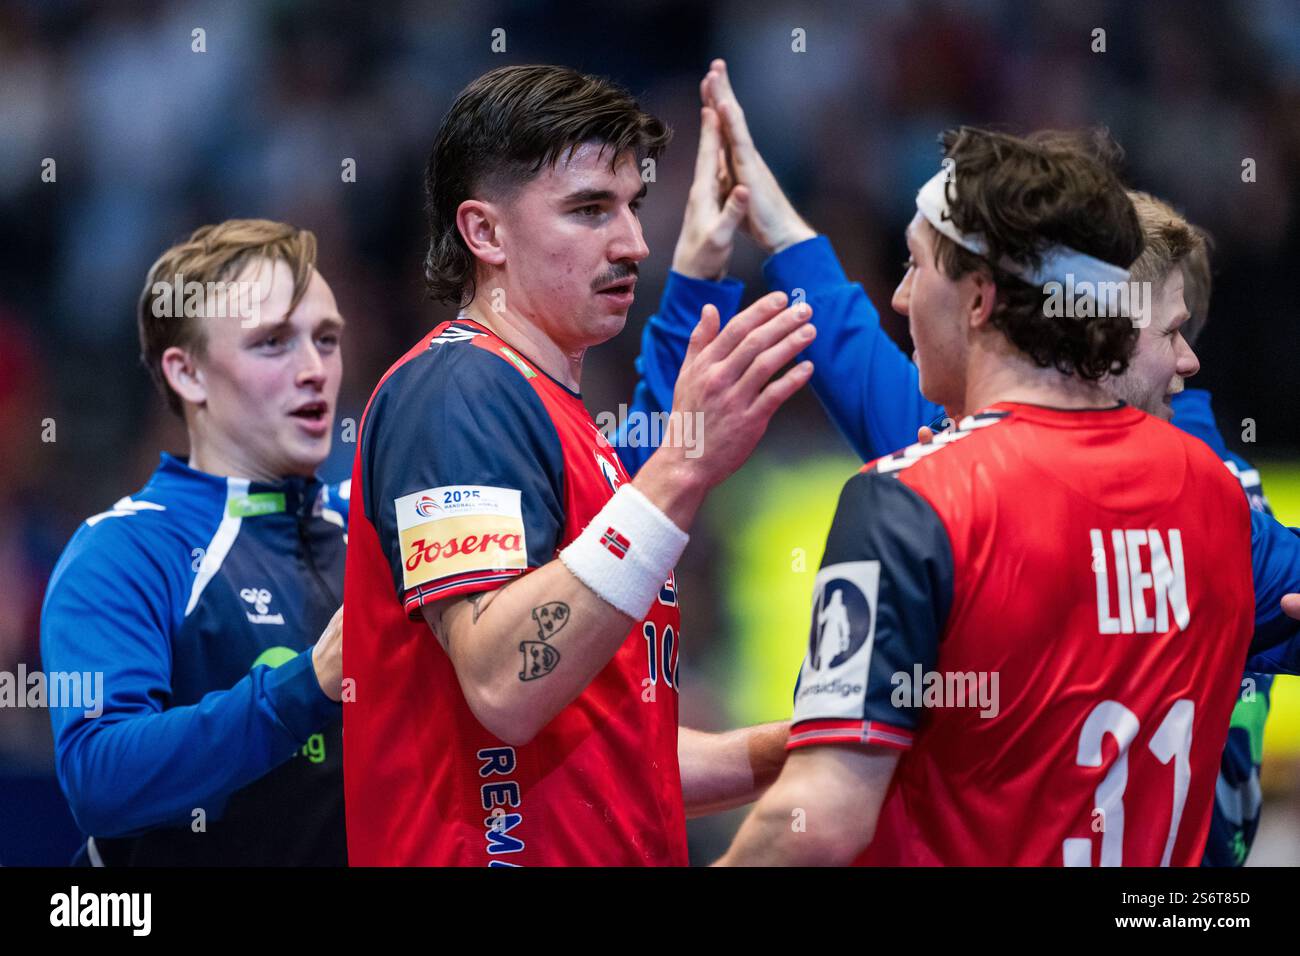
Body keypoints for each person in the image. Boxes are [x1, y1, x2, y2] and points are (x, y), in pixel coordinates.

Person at [634, 61, 1300, 863]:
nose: (901, 297)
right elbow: (860, 356)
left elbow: (824, 815)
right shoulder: (1218, 500)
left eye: (916, 267)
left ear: (983, 301)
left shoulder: (918, 496)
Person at [342, 65, 807, 866]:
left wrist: (812, 748)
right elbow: (504, 686)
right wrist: (683, 469)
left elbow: (624, 756)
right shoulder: (457, 389)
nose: (632, 242)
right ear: (484, 234)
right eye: (589, 210)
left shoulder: (559, 419)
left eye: (632, 208)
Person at [40, 219, 348, 865]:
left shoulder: (376, 532)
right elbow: (99, 780)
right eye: (273, 343)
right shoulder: (122, 551)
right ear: (188, 374)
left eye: (326, 339)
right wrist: (310, 685)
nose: (315, 370)